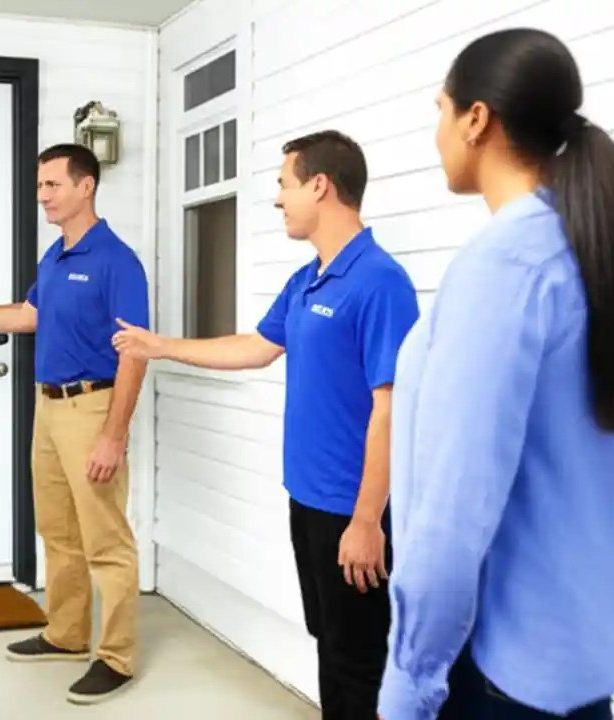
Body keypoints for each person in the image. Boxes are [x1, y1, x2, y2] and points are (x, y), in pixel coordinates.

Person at [377, 28, 614, 720]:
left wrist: (408, 686)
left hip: (506, 673)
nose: (436, 133)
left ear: (477, 121)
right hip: (579, 653)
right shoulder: (585, 243)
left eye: (440, 111)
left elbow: (452, 512)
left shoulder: (504, 266)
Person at [112, 130, 419, 719]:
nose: (278, 198)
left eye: (284, 183)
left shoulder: (379, 282)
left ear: (320, 186)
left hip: (354, 509)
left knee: (360, 663)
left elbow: (392, 407)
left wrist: (366, 521)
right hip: (307, 499)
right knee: (331, 645)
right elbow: (254, 346)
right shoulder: (309, 279)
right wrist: (160, 346)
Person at [0, 143, 149, 706]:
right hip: (48, 409)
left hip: (93, 407)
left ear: (86, 186)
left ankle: (115, 657)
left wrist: (113, 435)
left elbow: (136, 352)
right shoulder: (55, 257)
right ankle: (66, 633)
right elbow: (30, 317)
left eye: (52, 185)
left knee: (105, 539)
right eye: (40, 185)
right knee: (58, 531)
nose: (42, 194)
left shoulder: (116, 260)